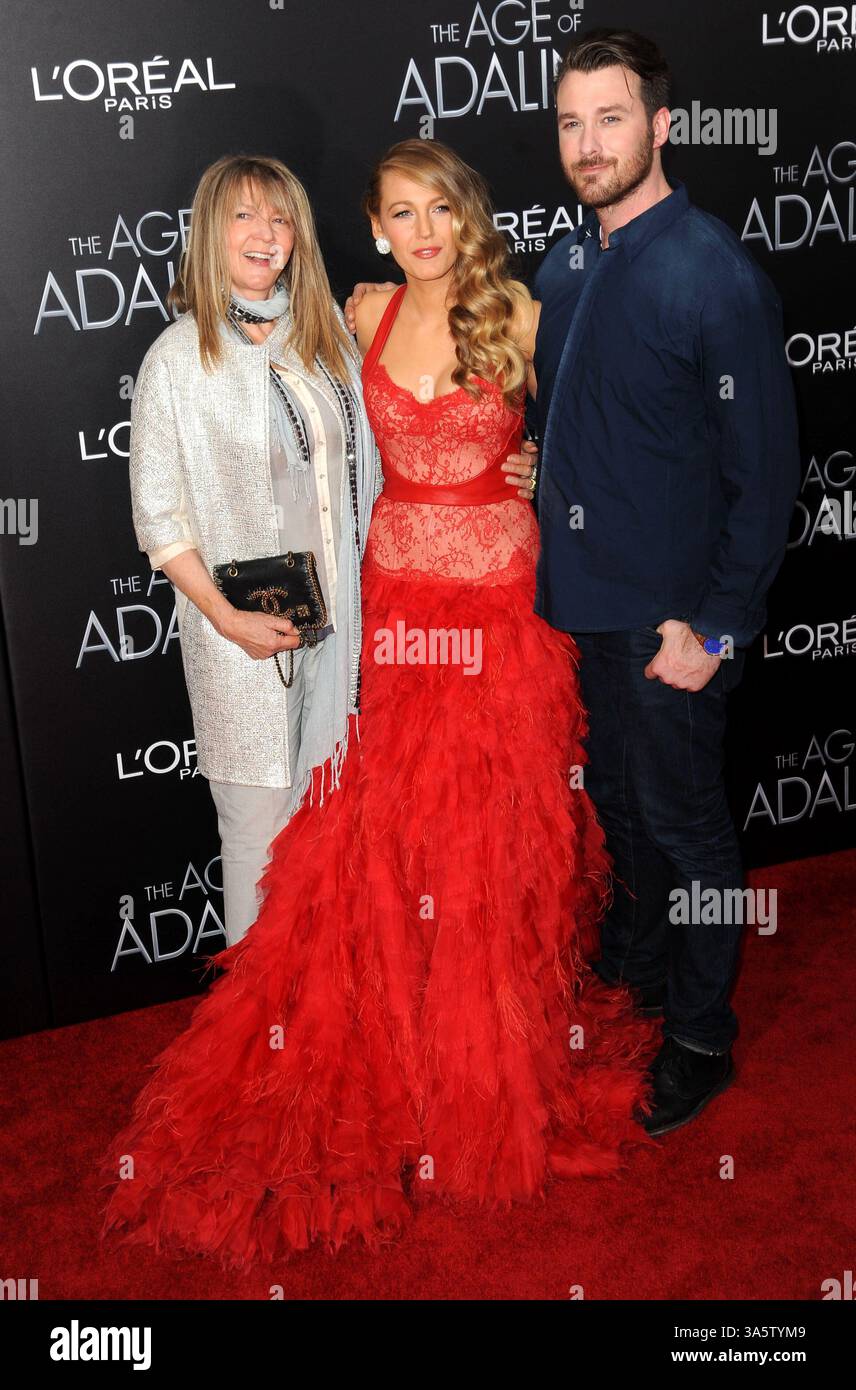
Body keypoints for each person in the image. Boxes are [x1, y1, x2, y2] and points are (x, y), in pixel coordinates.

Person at [96, 138, 659, 1270]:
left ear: (466, 213)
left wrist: (541, 469)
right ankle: (395, 1065)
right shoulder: (353, 315)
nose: (421, 230)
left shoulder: (530, 312)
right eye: (399, 213)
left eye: (438, 208)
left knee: (492, 847)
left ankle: (484, 1075)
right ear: (376, 229)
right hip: (389, 619)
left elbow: (602, 446)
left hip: (501, 618)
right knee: (391, 844)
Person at [530, 31, 801, 1134]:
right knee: (624, 817)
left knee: (688, 833)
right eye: (569, 122)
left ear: (660, 126)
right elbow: (576, 423)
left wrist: (721, 628)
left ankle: (700, 1037)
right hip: (579, 612)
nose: (588, 142)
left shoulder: (714, 273)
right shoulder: (563, 262)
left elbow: (767, 475)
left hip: (672, 625)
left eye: (609, 118)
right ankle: (642, 980)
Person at [127, 153, 381, 947]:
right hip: (245, 644)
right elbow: (160, 520)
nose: (265, 234)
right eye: (245, 216)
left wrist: (519, 458)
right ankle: (258, 1045)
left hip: (354, 635)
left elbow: (400, 445)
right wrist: (226, 618)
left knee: (348, 839)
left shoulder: (333, 338)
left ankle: (334, 1027)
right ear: (212, 232)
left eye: (281, 218)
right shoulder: (179, 356)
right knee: (257, 844)